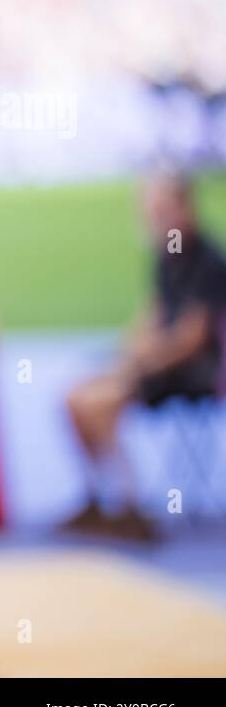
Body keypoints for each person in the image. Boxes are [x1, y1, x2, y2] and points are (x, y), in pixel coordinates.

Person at [62, 170, 226, 542]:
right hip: (156, 365)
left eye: (159, 207)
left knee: (99, 403)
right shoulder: (166, 254)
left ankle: (130, 506)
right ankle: (95, 499)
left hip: (192, 372)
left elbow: (191, 339)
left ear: (184, 207)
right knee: (73, 398)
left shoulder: (208, 261)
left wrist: (139, 364)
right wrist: (128, 352)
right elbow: (152, 314)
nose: (151, 216)